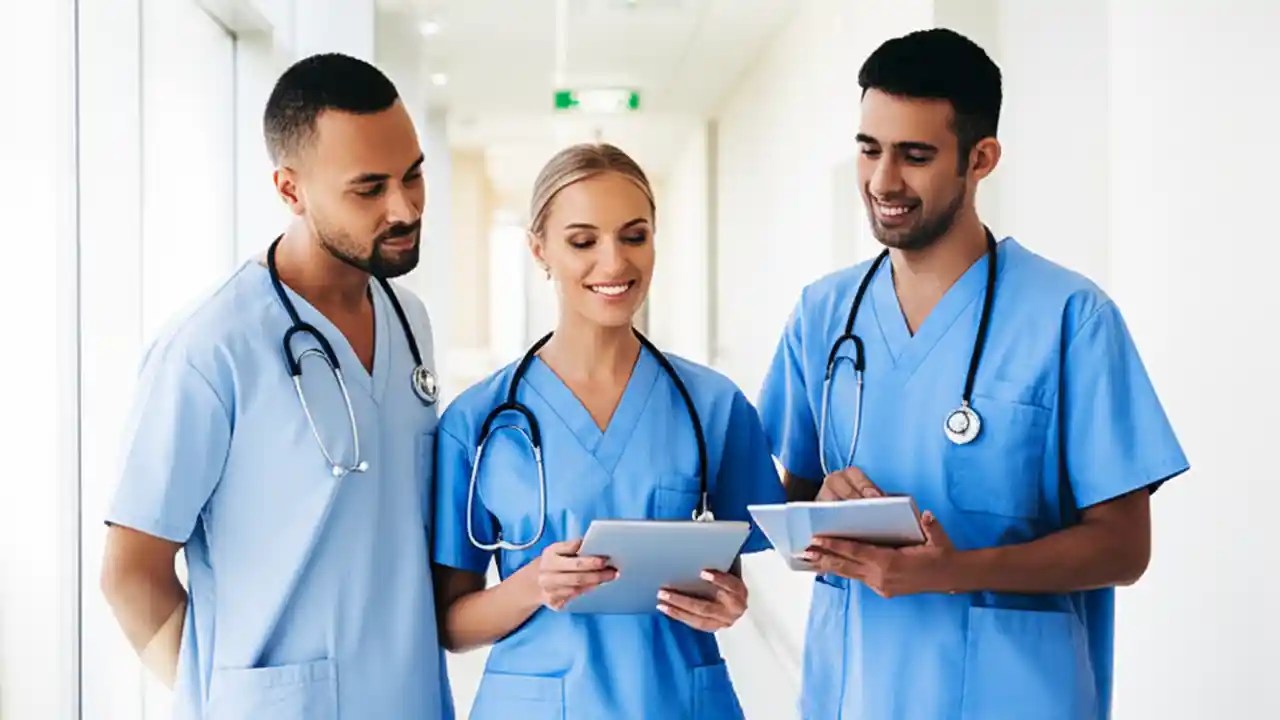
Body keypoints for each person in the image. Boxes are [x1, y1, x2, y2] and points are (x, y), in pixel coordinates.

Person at [758, 28, 1189, 720]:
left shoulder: (1070, 317)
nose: (882, 181)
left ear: (980, 158)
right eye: (869, 149)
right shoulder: (824, 314)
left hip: (1015, 692)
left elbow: (1123, 546)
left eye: (915, 155)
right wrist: (822, 508)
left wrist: (951, 572)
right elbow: (790, 498)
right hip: (856, 688)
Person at [99, 53, 454, 720]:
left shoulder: (411, 323)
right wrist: (228, 697)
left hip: (407, 697)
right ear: (290, 190)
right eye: (369, 188)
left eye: (413, 176)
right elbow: (130, 573)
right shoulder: (211, 349)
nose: (404, 208)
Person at [431, 143, 785, 719]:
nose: (615, 263)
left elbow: (726, 576)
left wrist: (726, 605)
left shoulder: (713, 406)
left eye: (634, 235)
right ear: (538, 248)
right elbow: (453, 624)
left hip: (678, 703)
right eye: (582, 241)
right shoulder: (478, 421)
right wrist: (533, 585)